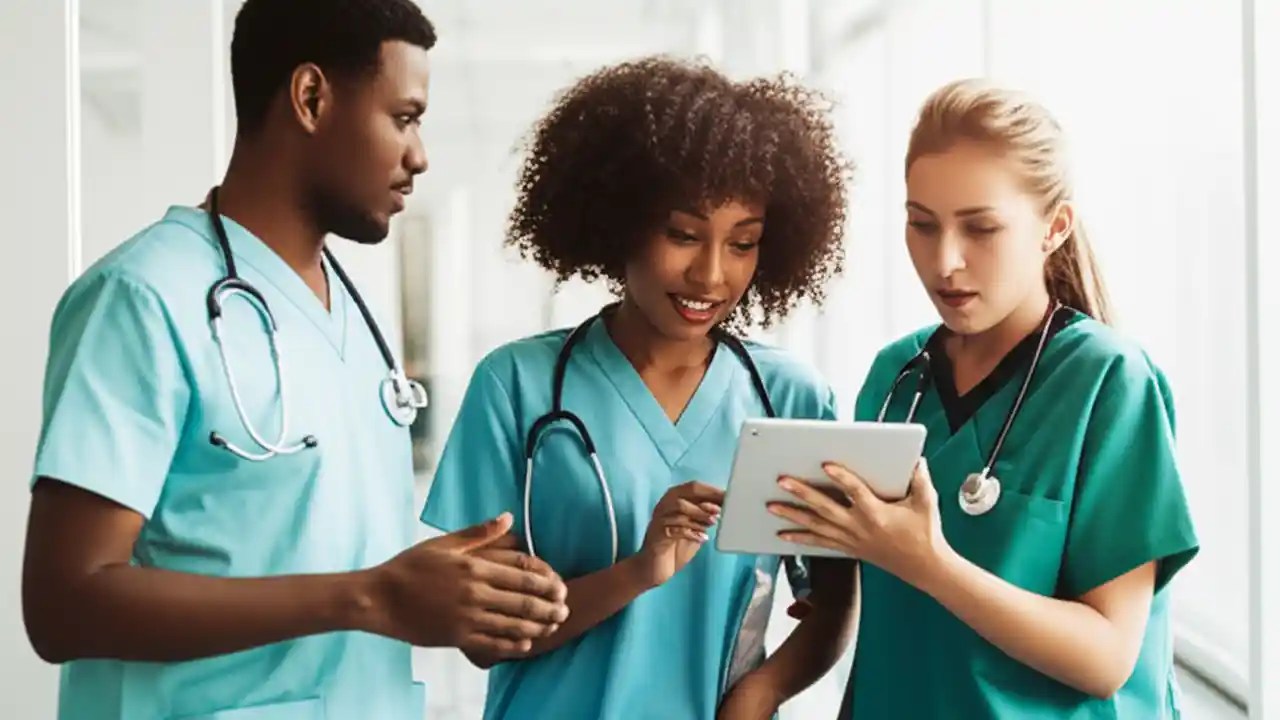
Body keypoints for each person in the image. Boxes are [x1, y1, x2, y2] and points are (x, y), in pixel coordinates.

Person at [21, 2, 569, 719]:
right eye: (403, 117)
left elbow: (302, 538)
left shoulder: (349, 309)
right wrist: (372, 595)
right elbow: (64, 603)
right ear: (311, 98)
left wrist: (455, 588)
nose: (420, 154)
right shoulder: (145, 297)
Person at [420, 56, 858, 720]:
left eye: (743, 243)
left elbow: (831, 603)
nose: (711, 275)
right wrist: (638, 573)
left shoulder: (790, 398)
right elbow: (485, 641)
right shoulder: (517, 384)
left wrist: (760, 695)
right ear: (618, 220)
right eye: (682, 235)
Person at [770, 78, 1200, 718]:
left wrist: (928, 564)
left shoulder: (1108, 381)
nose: (945, 261)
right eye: (922, 224)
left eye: (981, 229)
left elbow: (1106, 658)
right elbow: (874, 591)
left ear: (1054, 227)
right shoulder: (898, 376)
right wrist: (830, 563)